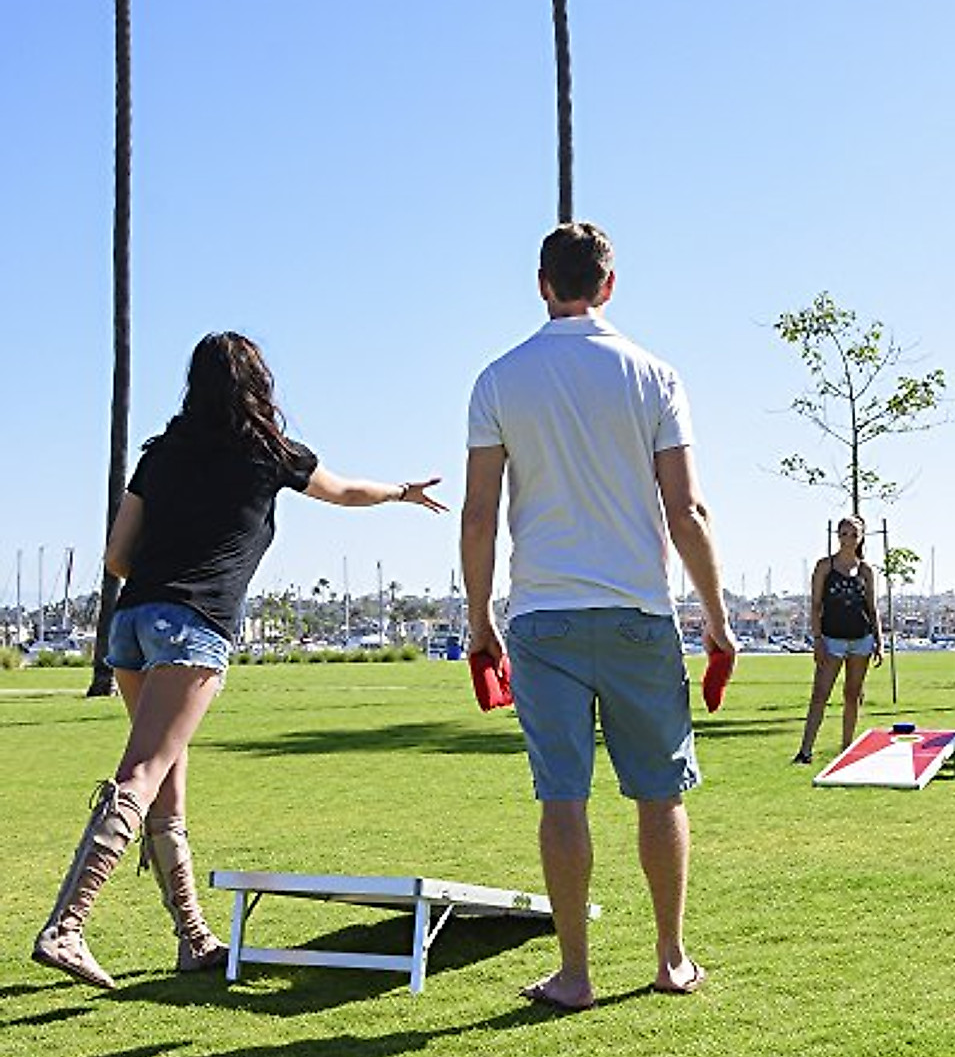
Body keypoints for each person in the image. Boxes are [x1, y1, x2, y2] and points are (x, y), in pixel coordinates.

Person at [33, 332, 448, 989]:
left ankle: (193, 939)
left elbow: (116, 557)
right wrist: (402, 492)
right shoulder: (267, 452)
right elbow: (341, 493)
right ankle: (67, 925)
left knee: (166, 784)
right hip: (192, 629)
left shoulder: (160, 455)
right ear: (258, 384)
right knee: (143, 773)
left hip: (133, 624)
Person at [460, 221, 736, 1012]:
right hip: (638, 614)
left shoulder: (498, 379)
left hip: (541, 617)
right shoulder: (655, 376)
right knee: (659, 793)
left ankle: (575, 974)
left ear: (542, 283)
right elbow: (686, 511)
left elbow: (479, 517)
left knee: (563, 799)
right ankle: (670, 958)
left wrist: (480, 621)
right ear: (608, 286)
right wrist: (716, 619)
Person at [792, 515, 883, 765]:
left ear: (861, 537)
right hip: (831, 640)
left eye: (854, 534)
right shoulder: (825, 566)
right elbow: (816, 605)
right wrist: (817, 638)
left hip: (861, 640)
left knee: (853, 694)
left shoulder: (866, 570)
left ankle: (846, 749)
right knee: (820, 694)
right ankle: (805, 751)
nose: (848, 539)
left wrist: (879, 640)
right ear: (837, 536)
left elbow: (872, 607)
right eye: (844, 534)